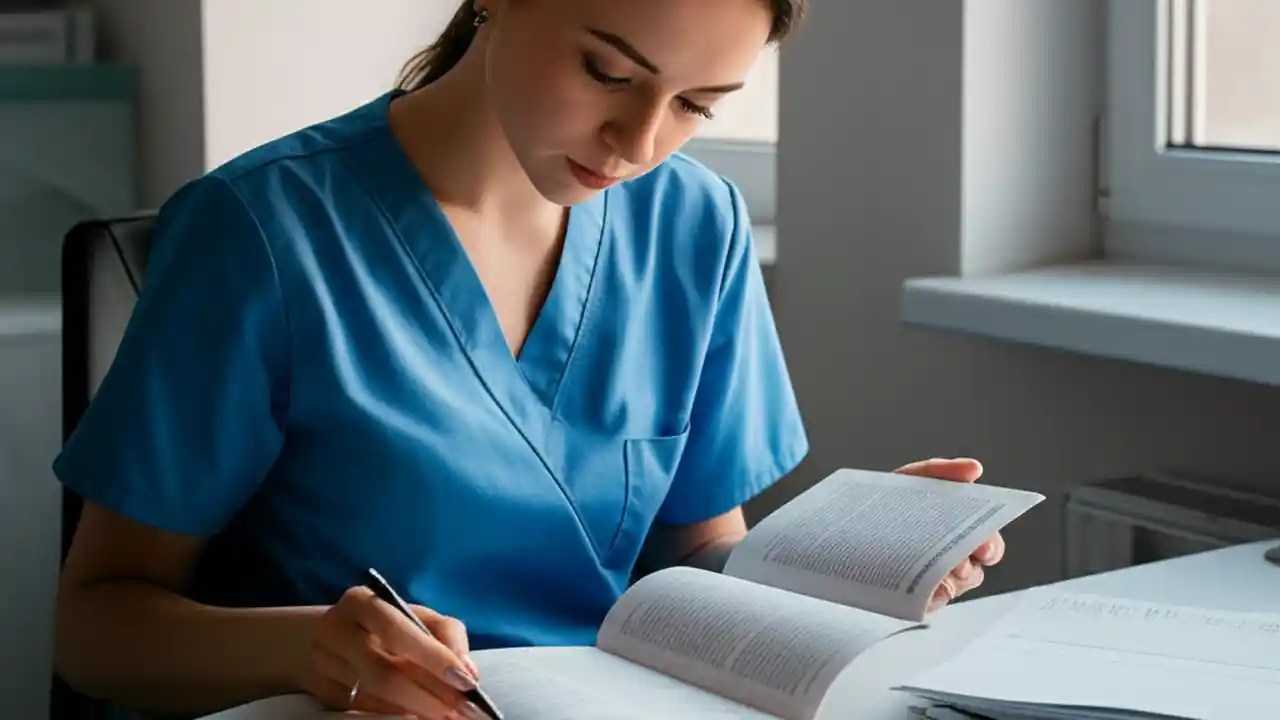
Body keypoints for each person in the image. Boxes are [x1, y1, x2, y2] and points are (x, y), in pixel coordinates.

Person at [51, 1, 1005, 719]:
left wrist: (855, 565)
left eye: (695, 106)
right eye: (608, 72)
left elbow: (696, 558)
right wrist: (310, 650)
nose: (639, 144)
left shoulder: (695, 225)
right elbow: (94, 629)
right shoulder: (262, 234)